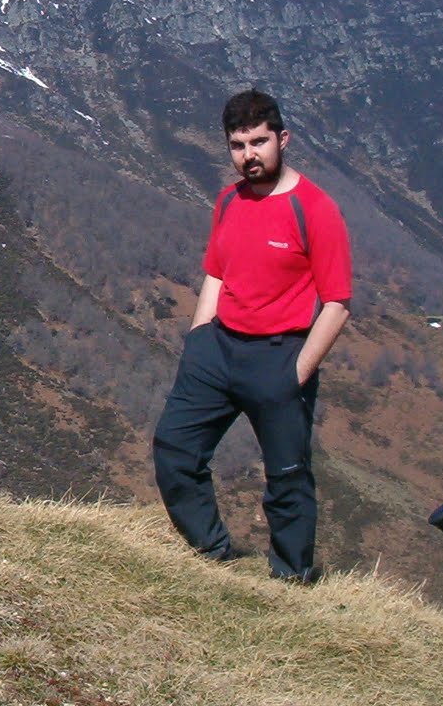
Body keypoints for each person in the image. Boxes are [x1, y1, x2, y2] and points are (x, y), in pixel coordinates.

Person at [151, 88, 352, 582]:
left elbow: (337, 303)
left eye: (259, 143)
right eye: (238, 146)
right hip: (218, 349)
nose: (249, 156)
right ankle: (214, 555)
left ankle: (291, 581)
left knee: (287, 478)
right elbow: (216, 273)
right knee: (175, 449)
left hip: (280, 355)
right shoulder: (228, 201)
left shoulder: (315, 209)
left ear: (283, 139)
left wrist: (297, 374)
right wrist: (199, 338)